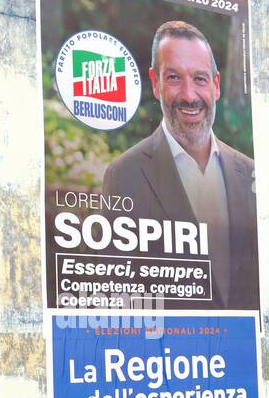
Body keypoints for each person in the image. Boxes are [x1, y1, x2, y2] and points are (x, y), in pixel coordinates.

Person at [100, 21, 257, 310]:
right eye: (173, 78)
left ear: (216, 85)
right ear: (155, 83)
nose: (188, 95)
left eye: (199, 79)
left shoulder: (250, 174)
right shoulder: (124, 175)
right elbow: (116, 297)